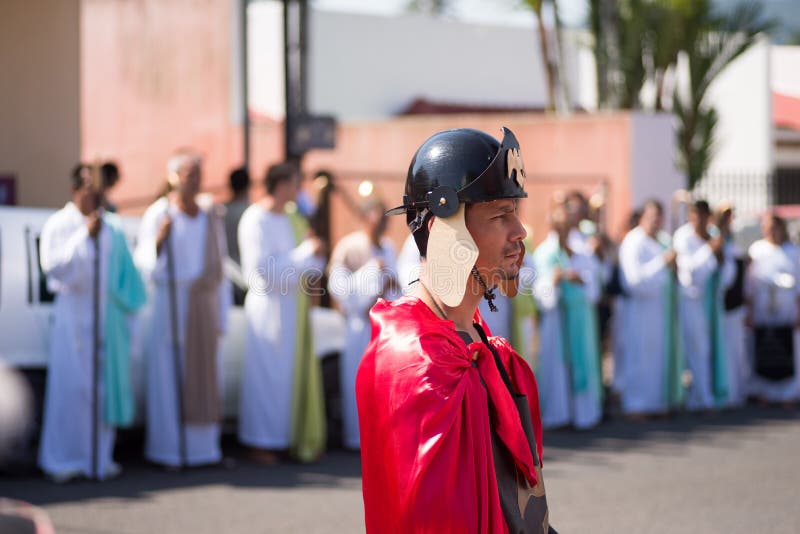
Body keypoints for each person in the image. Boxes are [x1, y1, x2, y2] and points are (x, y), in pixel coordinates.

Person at [358, 127, 555, 533]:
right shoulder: (417, 359)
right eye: (501, 215)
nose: (519, 231)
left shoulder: (480, 345)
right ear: (445, 228)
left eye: (515, 212)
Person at [39, 164, 146, 482]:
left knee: (102, 390)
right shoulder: (59, 224)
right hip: (74, 319)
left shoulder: (111, 227)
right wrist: (85, 236)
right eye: (88, 188)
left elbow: (122, 275)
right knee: (73, 391)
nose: (94, 195)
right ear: (75, 190)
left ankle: (98, 459)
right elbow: (53, 269)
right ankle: (64, 459)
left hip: (105, 322)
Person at [135, 150, 231, 468]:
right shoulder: (159, 214)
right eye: (188, 174)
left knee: (203, 374)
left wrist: (221, 315)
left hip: (201, 307)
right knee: (169, 374)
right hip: (171, 305)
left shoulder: (208, 215)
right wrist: (159, 242)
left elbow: (220, 270)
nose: (195, 181)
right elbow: (144, 263)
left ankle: (203, 449)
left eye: (198, 174)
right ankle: (170, 450)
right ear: (174, 177)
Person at [237, 162, 327, 463]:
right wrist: (304, 256)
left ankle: (286, 438)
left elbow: (306, 266)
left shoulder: (292, 218)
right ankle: (260, 443)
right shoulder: (255, 219)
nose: (297, 190)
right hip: (266, 310)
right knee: (264, 379)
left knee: (286, 378)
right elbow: (260, 273)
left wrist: (315, 255)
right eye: (293, 183)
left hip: (292, 309)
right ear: (279, 185)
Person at [328, 187, 400, 450]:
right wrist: (372, 273)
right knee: (358, 381)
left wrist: (390, 282)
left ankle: (382, 438)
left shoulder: (389, 247)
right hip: (360, 325)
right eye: (379, 214)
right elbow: (339, 288)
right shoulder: (349, 246)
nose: (383, 221)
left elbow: (397, 284)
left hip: (385, 326)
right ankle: (356, 438)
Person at [532, 205, 602, 430]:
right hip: (556, 320)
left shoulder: (580, 252)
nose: (563, 230)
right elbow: (538, 291)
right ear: (552, 226)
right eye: (559, 226)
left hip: (578, 317)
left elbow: (594, 287)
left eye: (567, 226)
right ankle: (559, 413)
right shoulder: (544, 253)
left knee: (580, 361)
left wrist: (579, 279)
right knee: (558, 366)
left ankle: (583, 413)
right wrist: (554, 279)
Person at [617, 200, 683, 417]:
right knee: (639, 357)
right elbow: (633, 282)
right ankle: (635, 405)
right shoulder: (633, 241)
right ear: (642, 217)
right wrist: (662, 263)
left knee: (657, 358)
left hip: (660, 311)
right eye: (651, 216)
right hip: (640, 311)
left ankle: (655, 403)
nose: (655, 221)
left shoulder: (661, 241)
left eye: (658, 217)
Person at [673, 200, 733, 411]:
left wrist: (720, 255)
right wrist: (709, 250)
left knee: (712, 349)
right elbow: (689, 273)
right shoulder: (683, 236)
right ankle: (701, 397)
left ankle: (712, 394)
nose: (698, 220)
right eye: (694, 215)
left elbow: (728, 272)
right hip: (692, 301)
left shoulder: (714, 233)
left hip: (712, 302)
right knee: (698, 349)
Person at [746, 213, 800, 405]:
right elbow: (750, 283)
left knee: (789, 348)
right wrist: (750, 311)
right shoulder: (757, 250)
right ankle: (765, 392)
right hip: (763, 304)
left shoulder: (793, 251)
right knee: (765, 347)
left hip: (786, 303)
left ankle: (789, 393)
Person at [715, 203, 747, 407]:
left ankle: (736, 391)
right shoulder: (717, 238)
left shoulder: (733, 238)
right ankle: (726, 392)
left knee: (736, 350)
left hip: (735, 303)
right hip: (722, 303)